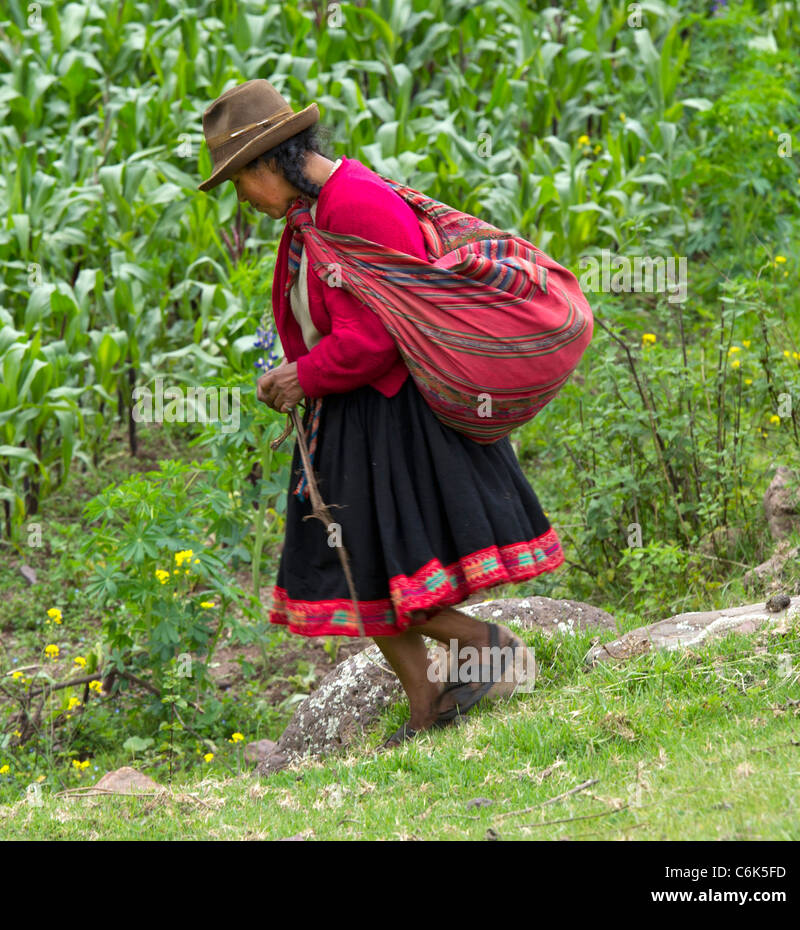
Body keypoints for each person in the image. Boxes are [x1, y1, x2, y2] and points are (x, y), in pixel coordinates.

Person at [198, 80, 565, 745]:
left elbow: (375, 337)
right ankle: (428, 702)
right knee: (356, 573)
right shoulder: (314, 213)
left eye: (238, 181)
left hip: (394, 417)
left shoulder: (357, 206)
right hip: (348, 412)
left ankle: (494, 650)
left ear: (265, 163)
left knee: (383, 570)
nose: (243, 199)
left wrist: (300, 375)